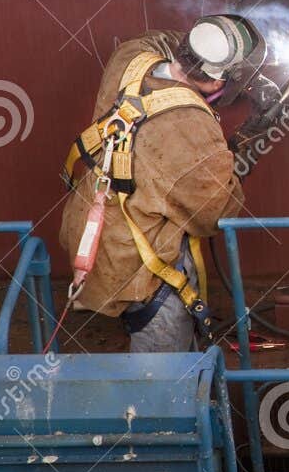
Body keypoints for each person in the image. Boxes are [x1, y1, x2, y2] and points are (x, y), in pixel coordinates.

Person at [58, 18, 262, 352]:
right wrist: (239, 152)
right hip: (140, 266)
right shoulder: (191, 124)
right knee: (163, 380)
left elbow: (161, 37)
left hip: (92, 226)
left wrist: (215, 39)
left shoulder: (131, 57)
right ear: (218, 82)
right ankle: (162, 399)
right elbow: (215, 213)